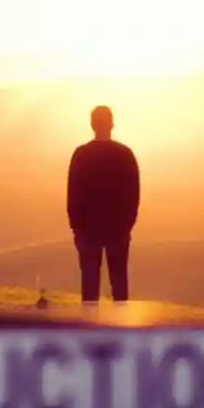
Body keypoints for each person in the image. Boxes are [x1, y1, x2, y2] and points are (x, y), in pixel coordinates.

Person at [67, 105, 140, 303]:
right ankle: (121, 329)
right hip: (117, 230)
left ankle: (90, 330)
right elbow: (134, 195)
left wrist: (77, 229)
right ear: (112, 124)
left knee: (89, 289)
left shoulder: (81, 155)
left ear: (92, 125)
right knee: (120, 287)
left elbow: (73, 196)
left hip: (88, 232)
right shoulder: (125, 154)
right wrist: (126, 226)